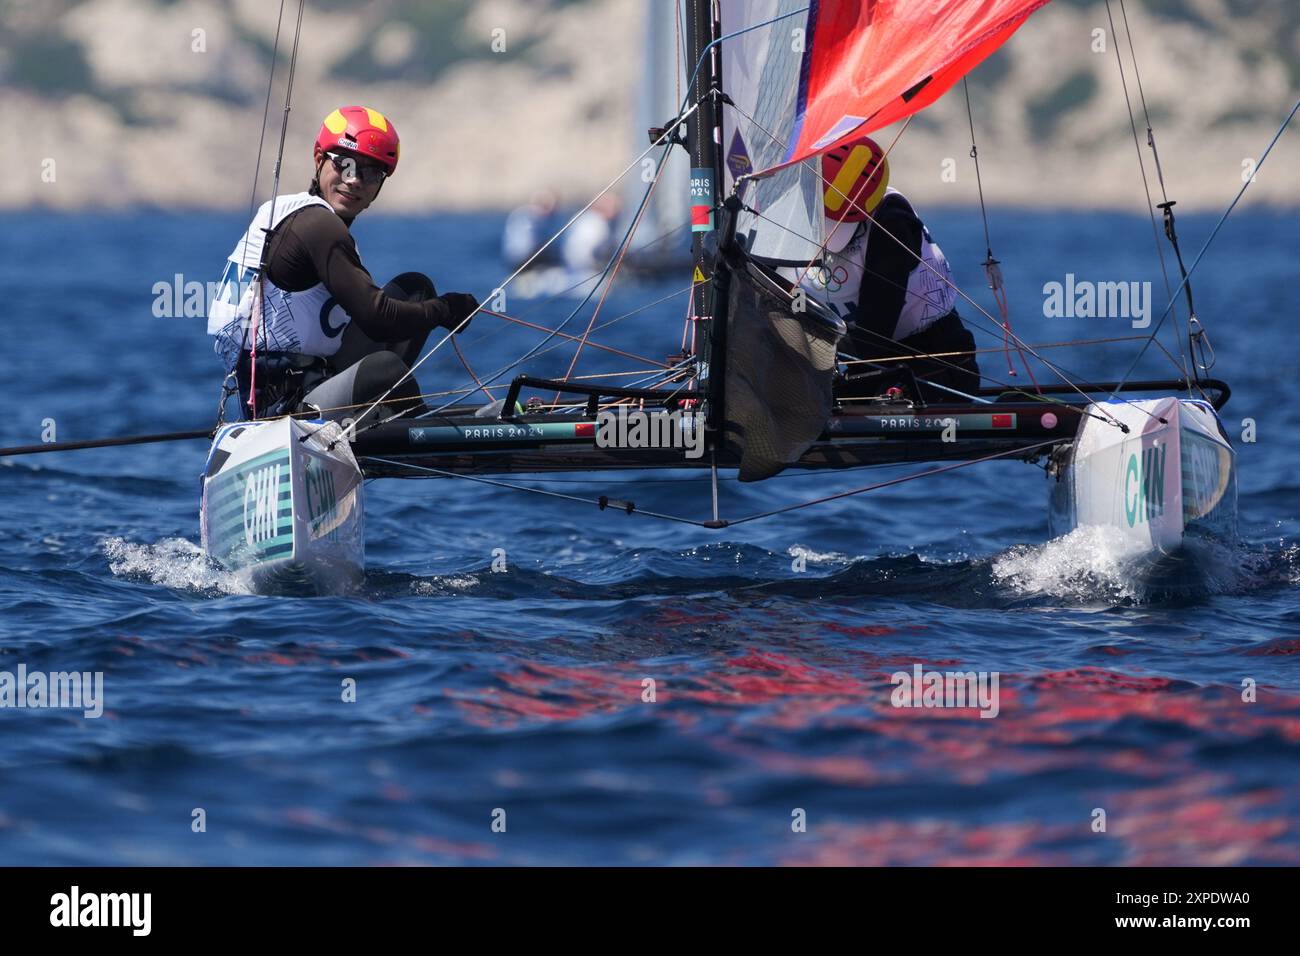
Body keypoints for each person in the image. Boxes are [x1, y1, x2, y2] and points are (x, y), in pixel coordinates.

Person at [206, 105, 479, 424]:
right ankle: (420, 429)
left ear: (380, 184)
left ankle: (383, 417)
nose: (355, 180)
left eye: (372, 172)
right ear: (319, 159)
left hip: (305, 383)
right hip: (288, 408)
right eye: (346, 164)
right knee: (384, 369)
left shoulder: (289, 211)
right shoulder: (317, 225)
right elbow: (379, 318)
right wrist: (446, 310)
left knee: (414, 290)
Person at [790, 134, 981, 403]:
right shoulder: (789, 211)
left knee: (878, 405)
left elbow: (873, 338)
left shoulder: (891, 222)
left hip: (934, 366)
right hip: (867, 367)